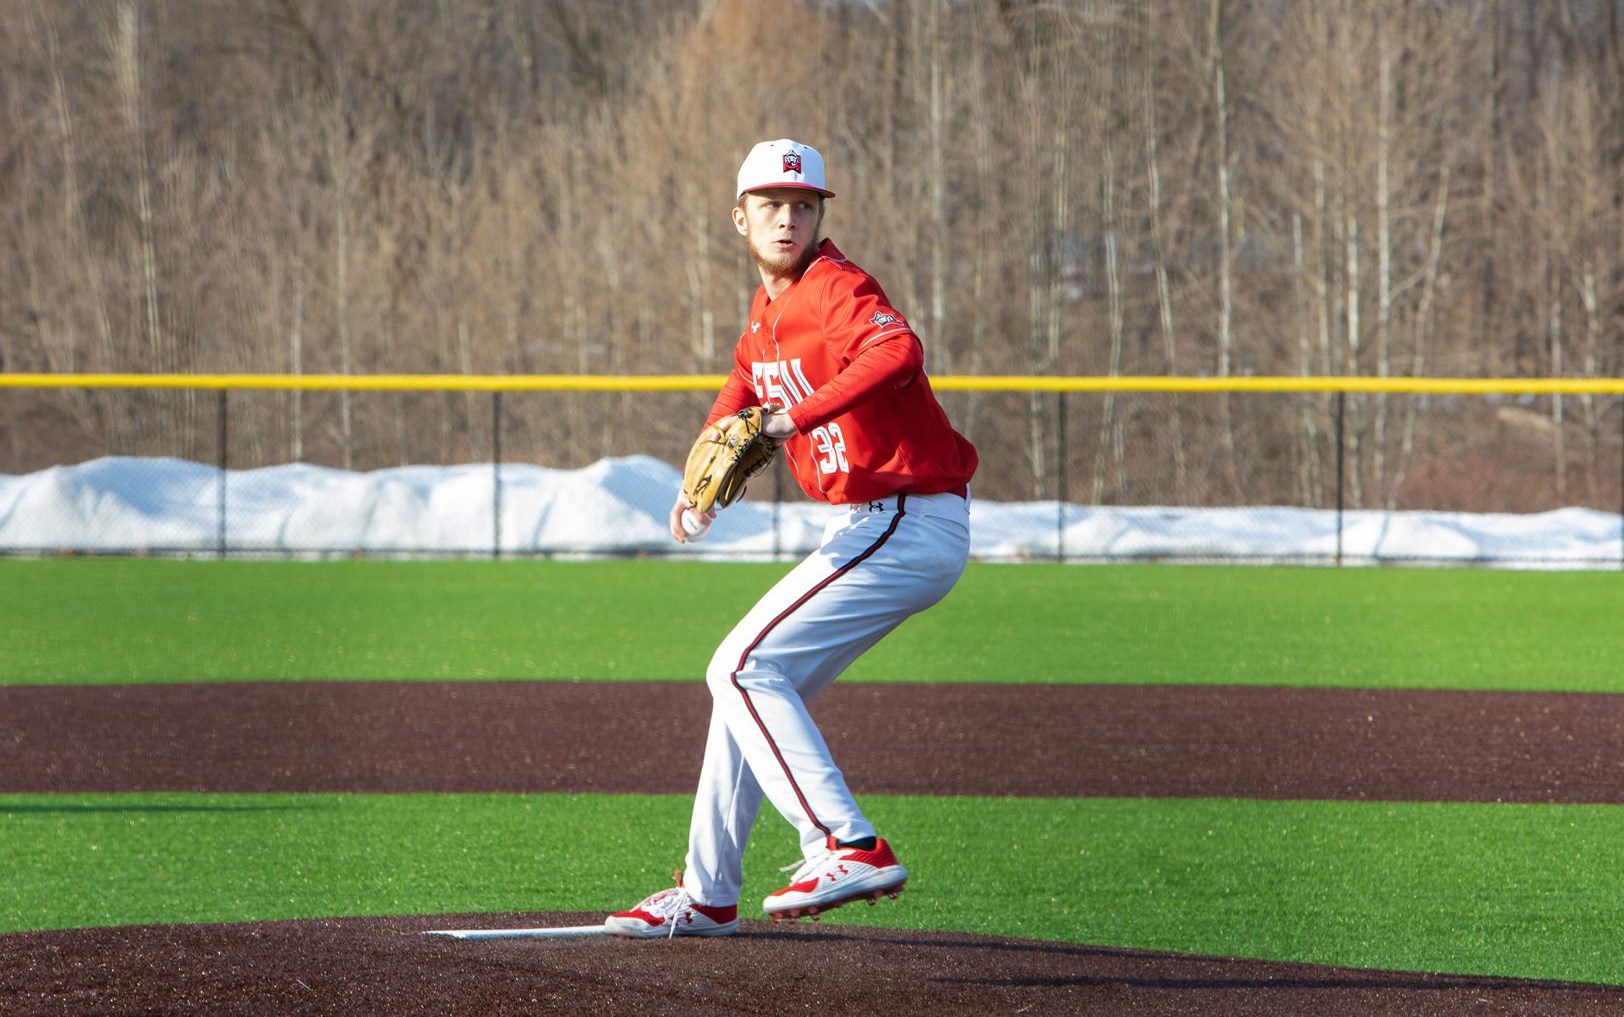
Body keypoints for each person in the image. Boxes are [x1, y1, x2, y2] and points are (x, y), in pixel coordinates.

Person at [604, 139, 978, 938]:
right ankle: (708, 891)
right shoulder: (767, 313)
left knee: (738, 665)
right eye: (771, 204)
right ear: (740, 217)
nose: (788, 216)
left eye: (803, 205)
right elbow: (744, 380)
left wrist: (790, 418)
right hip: (874, 527)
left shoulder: (833, 286)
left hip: (908, 514)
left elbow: (897, 349)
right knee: (745, 687)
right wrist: (695, 479)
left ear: (819, 217)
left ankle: (846, 843)